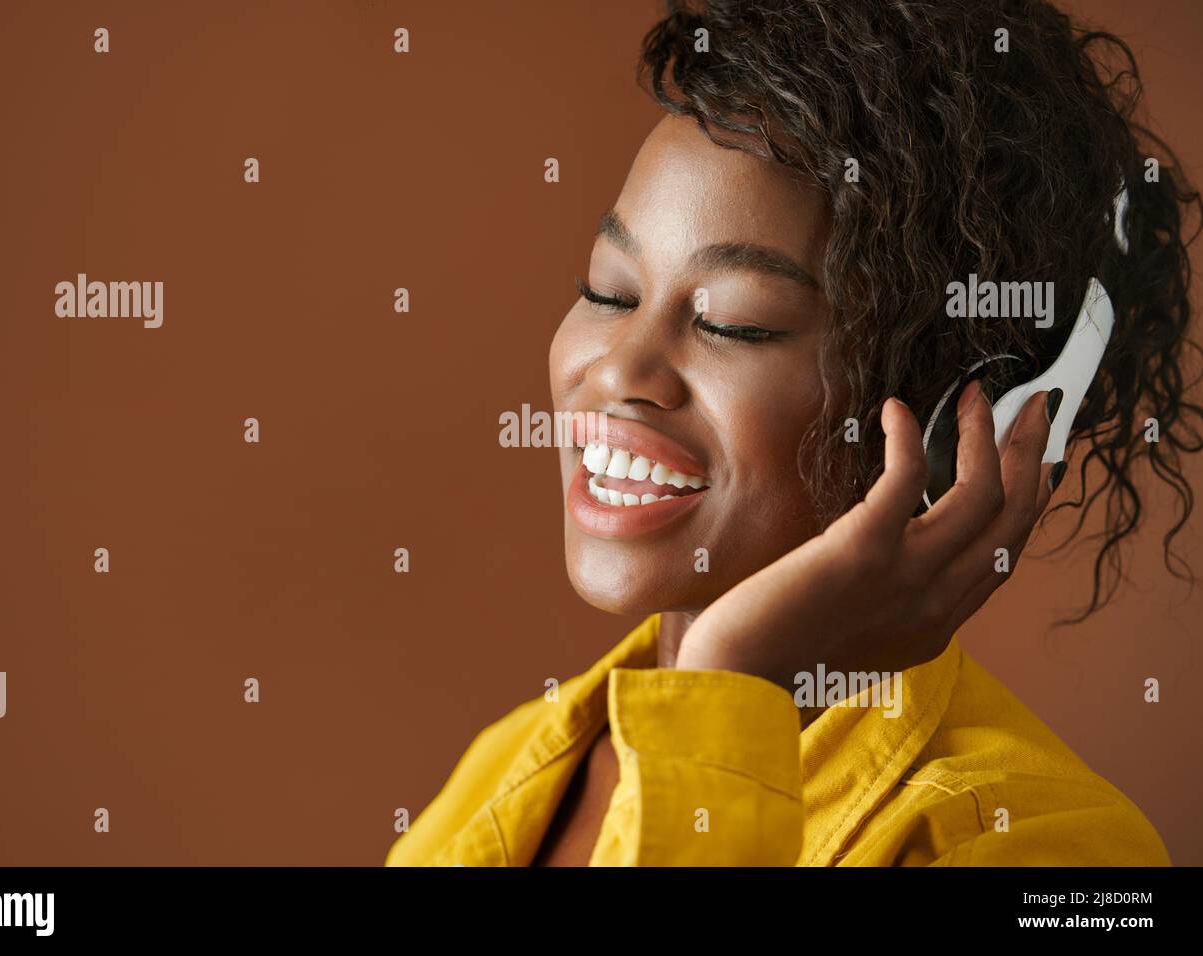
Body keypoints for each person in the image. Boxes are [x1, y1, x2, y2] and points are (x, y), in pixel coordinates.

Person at [386, 0, 1199, 866]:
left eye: (736, 324)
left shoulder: (1049, 846)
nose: (620, 369)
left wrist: (736, 692)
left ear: (958, 429)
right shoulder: (511, 762)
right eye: (609, 290)